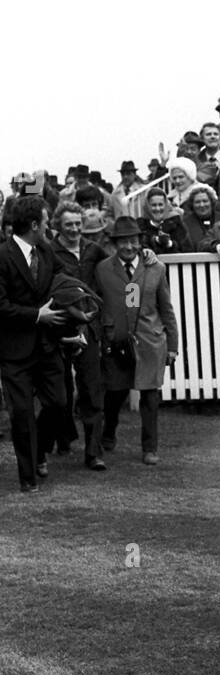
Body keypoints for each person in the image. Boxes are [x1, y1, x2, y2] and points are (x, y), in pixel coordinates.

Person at [96, 217, 179, 465]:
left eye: (133, 241)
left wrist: (173, 345)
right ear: (115, 244)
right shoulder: (102, 269)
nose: (129, 247)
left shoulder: (156, 268)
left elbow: (167, 309)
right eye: (123, 242)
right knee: (115, 393)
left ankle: (149, 448)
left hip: (150, 341)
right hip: (117, 341)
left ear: (140, 242)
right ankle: (109, 433)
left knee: (150, 396)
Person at [0, 196, 69, 491]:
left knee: (59, 403)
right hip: (14, 351)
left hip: (46, 347)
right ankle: (28, 478)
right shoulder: (2, 256)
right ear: (33, 224)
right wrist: (36, 315)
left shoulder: (46, 250)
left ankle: (38, 449)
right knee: (22, 414)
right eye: (46, 220)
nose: (50, 224)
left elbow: (64, 278)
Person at [47, 203, 110, 469]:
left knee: (91, 389)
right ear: (57, 225)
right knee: (60, 391)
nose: (74, 229)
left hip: (90, 328)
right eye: (68, 224)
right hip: (59, 327)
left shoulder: (93, 250)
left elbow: (118, 273)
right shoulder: (49, 252)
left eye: (77, 224)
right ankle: (63, 437)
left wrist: (147, 257)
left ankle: (93, 452)